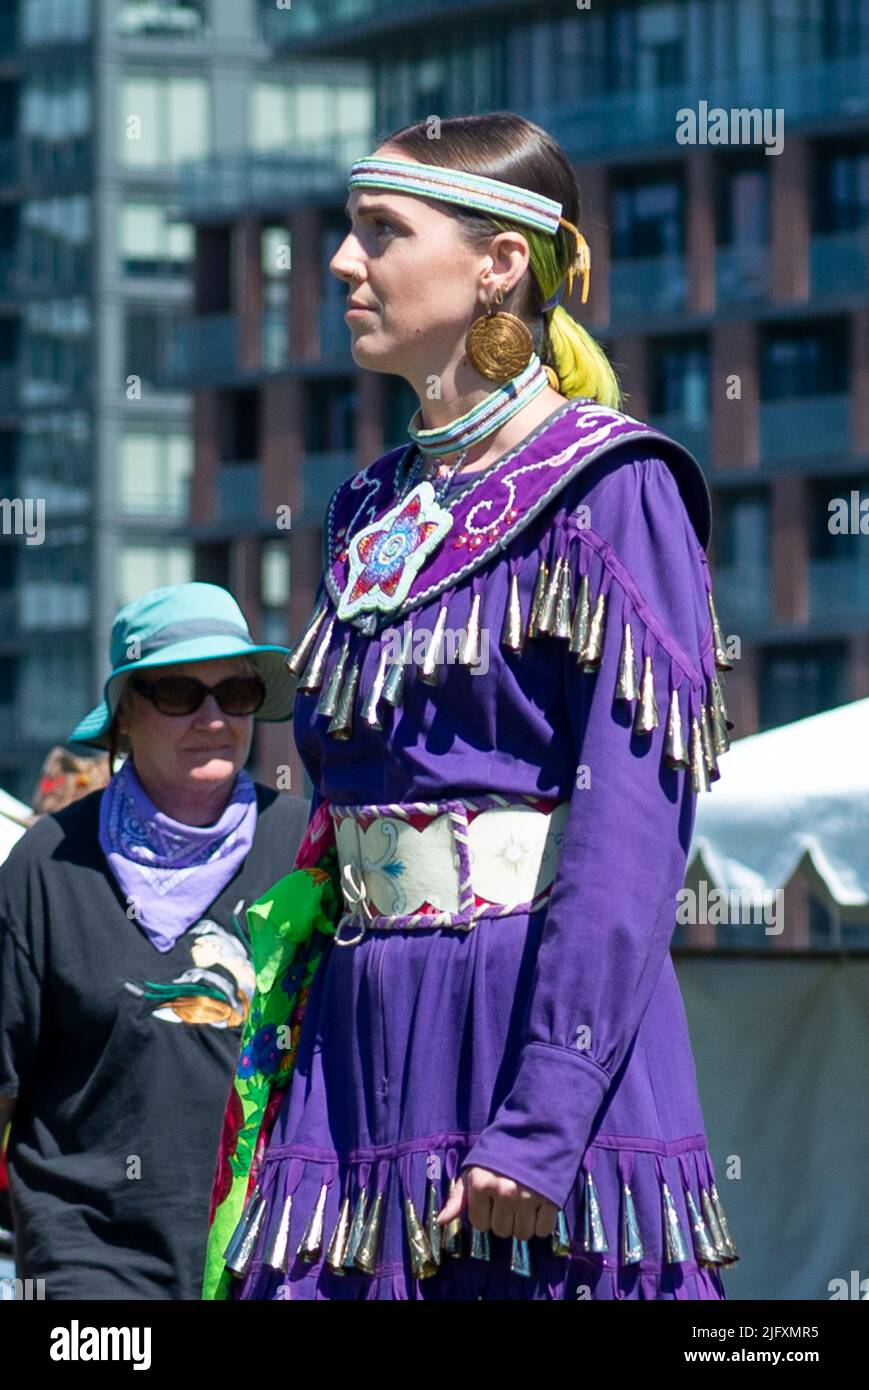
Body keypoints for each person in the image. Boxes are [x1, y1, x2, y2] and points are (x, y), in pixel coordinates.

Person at [209, 112, 740, 1302]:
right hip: (352, 1039)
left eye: (379, 233)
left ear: (500, 262)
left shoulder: (614, 486)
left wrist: (546, 1118)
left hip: (524, 1035)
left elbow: (629, 835)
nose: (344, 264)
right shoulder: (364, 508)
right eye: (352, 234)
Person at [0, 582, 310, 1299]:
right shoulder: (47, 865)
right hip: (92, 1266)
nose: (212, 718)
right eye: (178, 693)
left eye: (234, 692)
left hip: (274, 1259)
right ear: (125, 717)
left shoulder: (306, 847)